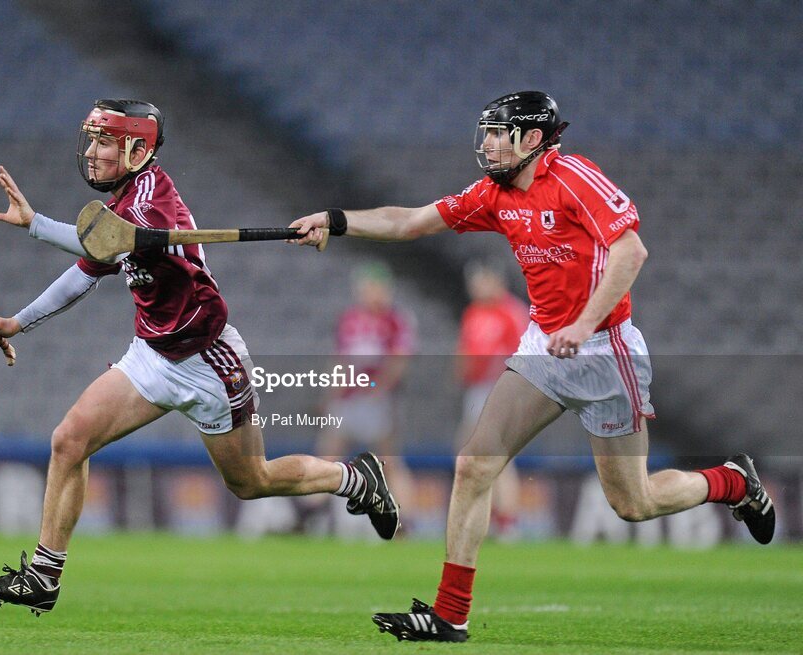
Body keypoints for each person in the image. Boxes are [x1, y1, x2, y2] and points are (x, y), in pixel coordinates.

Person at [290, 91, 776, 642]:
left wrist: (584, 324)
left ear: (533, 138)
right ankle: (450, 616)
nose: (490, 144)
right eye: (490, 133)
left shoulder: (574, 177)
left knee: (633, 503)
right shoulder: (493, 193)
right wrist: (335, 220)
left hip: (605, 352)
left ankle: (733, 482)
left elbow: (631, 252)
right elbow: (410, 222)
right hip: (543, 348)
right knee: (474, 465)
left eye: (500, 134)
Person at [0, 99, 400, 616]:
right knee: (69, 441)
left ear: (137, 149)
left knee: (251, 482)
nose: (93, 152)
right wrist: (18, 321)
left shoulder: (150, 201)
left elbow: (101, 245)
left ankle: (355, 479)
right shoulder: (123, 204)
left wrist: (36, 223)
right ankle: (43, 577)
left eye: (104, 142)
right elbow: (87, 269)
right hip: (152, 355)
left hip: (208, 362)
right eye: (93, 139)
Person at [312, 261, 416, 535]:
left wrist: (378, 389)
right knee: (328, 456)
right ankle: (313, 513)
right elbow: (339, 359)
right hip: (349, 397)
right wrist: (330, 393)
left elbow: (399, 360)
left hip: (377, 399)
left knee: (389, 460)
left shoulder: (395, 320)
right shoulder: (349, 318)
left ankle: (405, 519)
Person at [454, 263, 529, 540]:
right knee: (472, 452)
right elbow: (466, 349)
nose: (475, 288)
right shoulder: (473, 312)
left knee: (496, 455)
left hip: (500, 388)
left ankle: (506, 519)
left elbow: (525, 354)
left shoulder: (511, 312)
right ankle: (495, 515)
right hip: (477, 390)